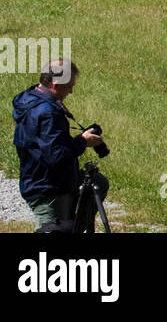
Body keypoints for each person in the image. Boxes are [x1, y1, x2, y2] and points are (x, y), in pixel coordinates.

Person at [12, 59, 103, 232]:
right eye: (68, 86)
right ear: (55, 84)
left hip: (38, 180)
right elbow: (55, 155)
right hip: (48, 189)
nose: (71, 91)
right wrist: (83, 141)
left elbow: (45, 146)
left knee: (99, 183)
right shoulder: (48, 112)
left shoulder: (31, 98)